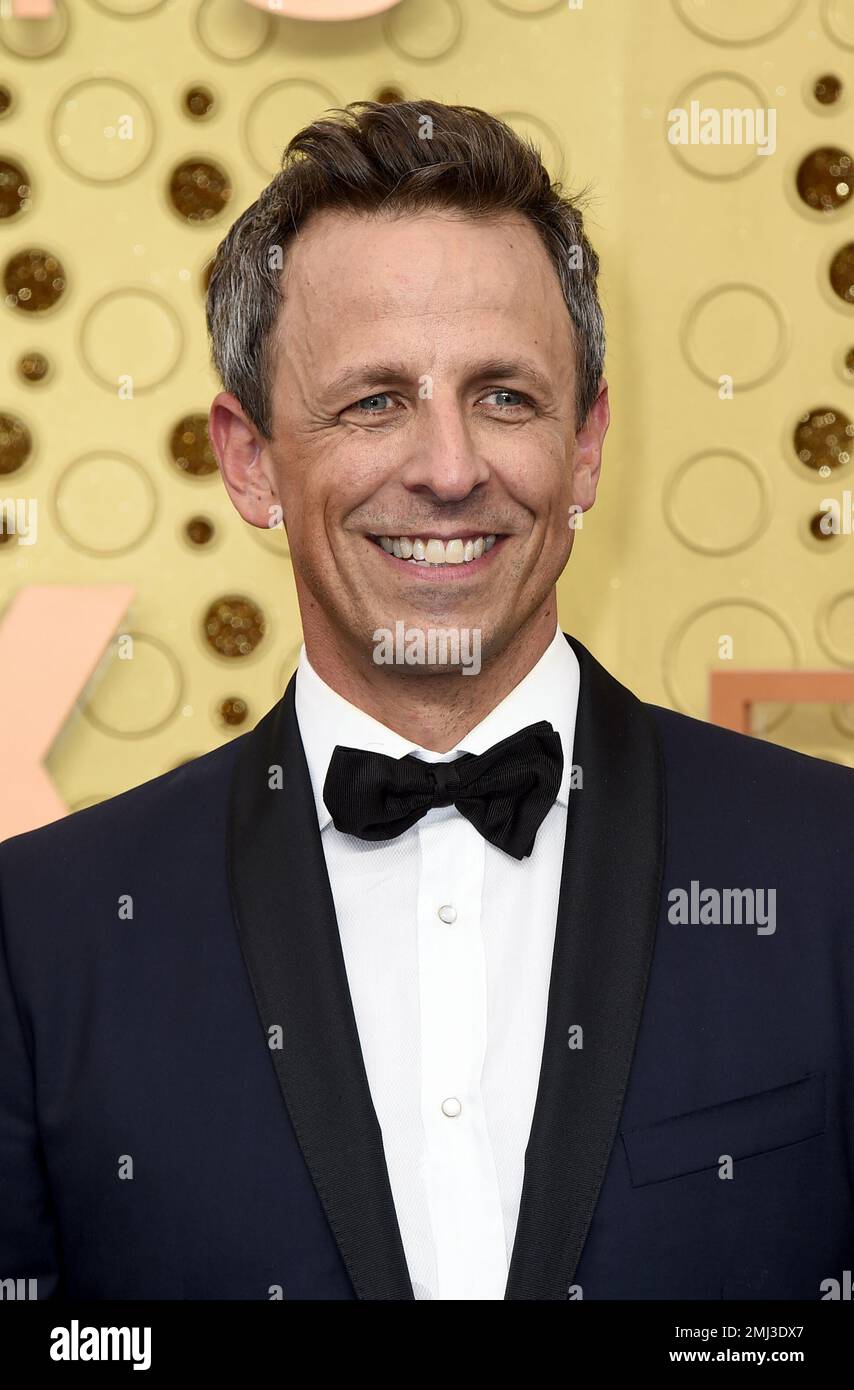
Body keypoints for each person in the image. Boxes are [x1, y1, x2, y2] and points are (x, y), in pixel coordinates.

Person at [1, 100, 852, 1302]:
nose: (448, 469)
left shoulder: (829, 873)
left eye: (504, 395)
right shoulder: (42, 939)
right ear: (248, 460)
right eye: (373, 401)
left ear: (588, 443)